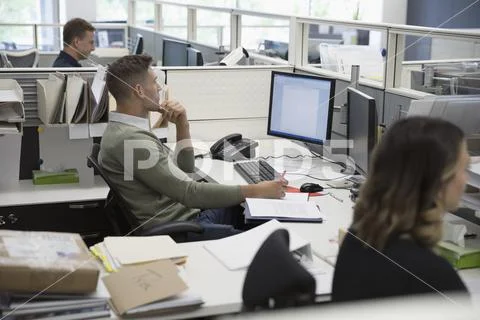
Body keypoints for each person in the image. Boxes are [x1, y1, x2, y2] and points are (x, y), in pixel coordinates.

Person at [100, 54, 287, 240]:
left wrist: (182, 125)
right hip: (183, 228)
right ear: (139, 91)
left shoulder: (124, 129)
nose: (158, 88)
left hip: (186, 216)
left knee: (260, 212)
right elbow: (189, 193)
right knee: (269, 237)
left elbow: (185, 169)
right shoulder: (131, 139)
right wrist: (256, 190)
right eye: (155, 82)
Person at [332, 117, 470, 302]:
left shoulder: (356, 238)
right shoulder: (435, 276)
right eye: (464, 168)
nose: (465, 180)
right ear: (438, 181)